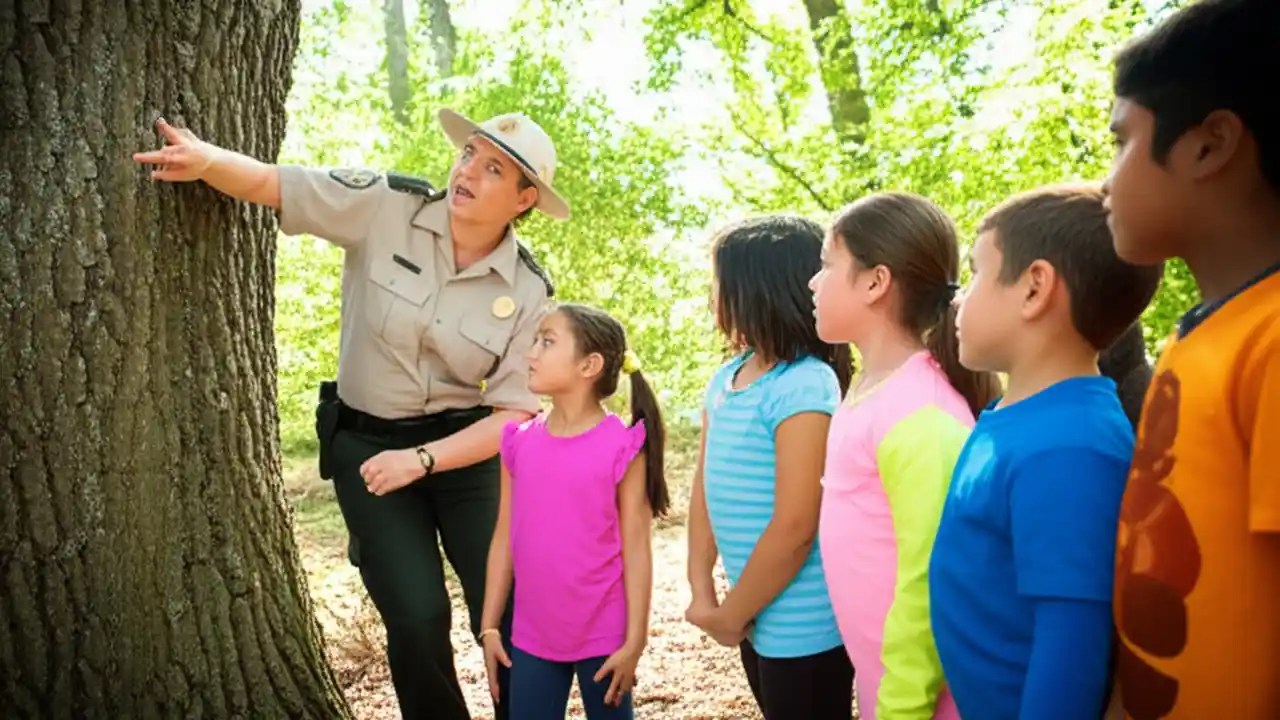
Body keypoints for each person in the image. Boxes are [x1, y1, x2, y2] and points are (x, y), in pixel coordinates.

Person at [133, 108, 568, 720]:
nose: (466, 170)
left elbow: (512, 416)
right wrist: (207, 162)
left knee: (510, 608)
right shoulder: (388, 207)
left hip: (464, 452)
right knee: (416, 615)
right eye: (469, 153)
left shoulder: (526, 288)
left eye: (492, 168)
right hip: (369, 450)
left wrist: (423, 460)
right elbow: (276, 183)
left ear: (524, 200)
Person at [1103, 1, 1280, 717]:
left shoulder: (1270, 343)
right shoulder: (1195, 337)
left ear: (1209, 144)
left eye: (1121, 141)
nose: (1108, 180)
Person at [928, 185, 1162, 720]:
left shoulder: (1070, 448)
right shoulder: (1028, 417)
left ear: (1035, 288)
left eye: (978, 272)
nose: (959, 297)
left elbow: (1071, 642)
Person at [809, 193, 1000, 720]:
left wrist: (898, 709)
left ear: (876, 281)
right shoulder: (872, 389)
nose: (813, 282)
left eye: (826, 265)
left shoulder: (922, 414)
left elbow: (929, 588)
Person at [685, 216, 856, 720]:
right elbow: (704, 490)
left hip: (804, 625)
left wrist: (731, 613)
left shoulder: (806, 384)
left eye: (720, 283)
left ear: (756, 290)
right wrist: (702, 589)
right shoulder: (726, 379)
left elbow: (796, 526)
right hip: (752, 615)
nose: (713, 296)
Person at [479, 303, 668, 720]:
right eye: (535, 341)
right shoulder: (517, 442)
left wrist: (634, 642)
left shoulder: (622, 445)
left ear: (589, 365)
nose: (531, 353)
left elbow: (637, 548)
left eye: (547, 342)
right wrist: (490, 625)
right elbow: (504, 536)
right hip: (530, 635)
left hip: (605, 636)